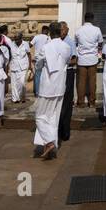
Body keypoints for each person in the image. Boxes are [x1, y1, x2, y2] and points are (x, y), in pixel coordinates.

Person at [34, 26, 71, 160]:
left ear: (50, 33)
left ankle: (49, 142)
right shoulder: (66, 47)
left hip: (47, 86)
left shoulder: (46, 47)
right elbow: (67, 61)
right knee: (53, 118)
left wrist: (39, 66)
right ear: (60, 33)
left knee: (39, 116)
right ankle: (50, 147)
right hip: (60, 85)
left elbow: (38, 64)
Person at [75, 14, 102, 107]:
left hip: (82, 59)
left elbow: (76, 43)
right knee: (92, 81)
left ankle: (81, 102)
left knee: (81, 82)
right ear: (92, 19)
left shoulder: (79, 30)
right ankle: (92, 102)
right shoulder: (97, 29)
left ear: (84, 19)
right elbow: (100, 43)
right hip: (92, 59)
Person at [57, 22, 78, 144]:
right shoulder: (56, 41)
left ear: (67, 30)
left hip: (68, 73)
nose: (61, 32)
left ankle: (65, 131)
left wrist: (62, 63)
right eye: (60, 30)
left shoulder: (70, 42)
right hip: (59, 74)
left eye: (63, 29)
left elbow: (74, 59)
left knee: (66, 102)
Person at [8, 31, 30, 103]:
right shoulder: (11, 44)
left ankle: (21, 97)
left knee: (22, 83)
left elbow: (29, 54)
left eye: (17, 39)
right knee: (14, 83)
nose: (16, 40)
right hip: (14, 65)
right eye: (15, 39)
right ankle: (15, 99)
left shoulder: (25, 44)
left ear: (21, 38)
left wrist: (30, 65)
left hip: (23, 66)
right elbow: (9, 56)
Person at [30, 24, 50, 96]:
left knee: (37, 75)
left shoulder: (36, 37)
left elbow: (30, 45)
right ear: (47, 31)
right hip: (45, 58)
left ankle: (36, 92)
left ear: (42, 30)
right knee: (44, 75)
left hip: (37, 58)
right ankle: (42, 91)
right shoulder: (48, 38)